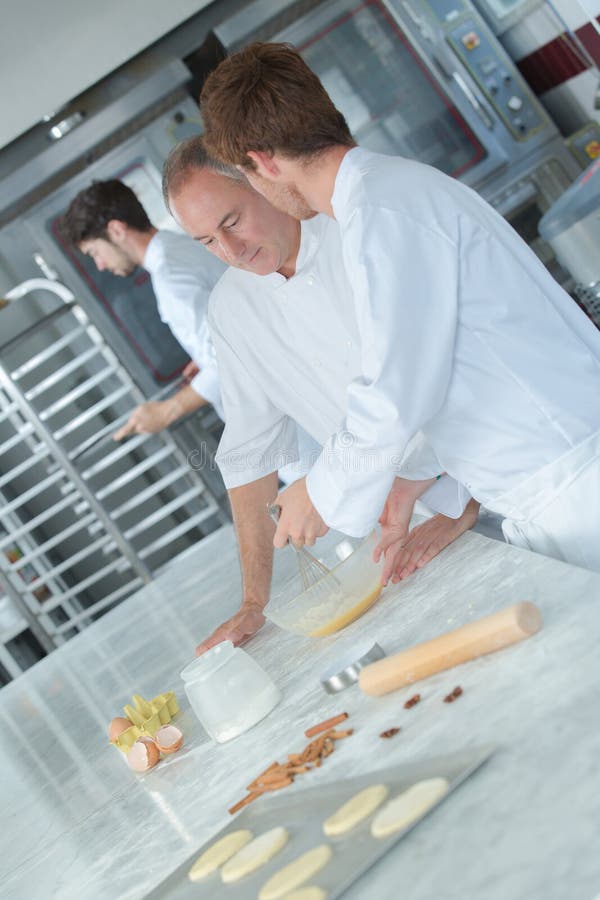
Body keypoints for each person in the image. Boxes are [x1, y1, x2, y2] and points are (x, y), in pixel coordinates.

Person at [199, 41, 600, 574]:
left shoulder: (380, 213)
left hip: (574, 485)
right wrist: (416, 477)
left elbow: (395, 389)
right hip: (554, 482)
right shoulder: (382, 195)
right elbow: (444, 371)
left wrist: (319, 490)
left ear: (262, 162)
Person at [162, 139, 480, 653]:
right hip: (413, 527)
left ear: (263, 181)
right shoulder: (231, 309)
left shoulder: (353, 230)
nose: (230, 252)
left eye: (232, 222)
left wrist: (464, 500)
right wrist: (253, 604)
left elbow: (431, 373)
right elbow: (249, 453)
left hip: (499, 477)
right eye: (206, 242)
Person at [62, 178, 228, 436]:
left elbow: (229, 362)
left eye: (95, 252)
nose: (101, 265)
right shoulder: (178, 246)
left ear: (116, 230)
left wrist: (167, 410)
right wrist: (204, 358)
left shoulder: (169, 275)